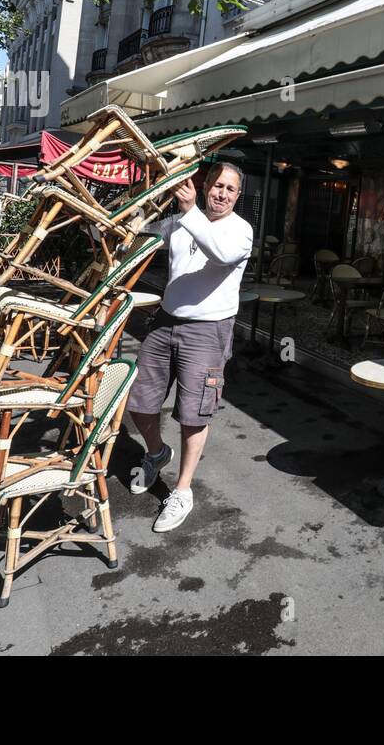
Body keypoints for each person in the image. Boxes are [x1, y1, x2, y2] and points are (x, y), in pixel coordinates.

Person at [125, 162, 252, 532]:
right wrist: (119, 228)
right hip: (165, 322)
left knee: (194, 413)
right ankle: (156, 453)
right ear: (205, 185)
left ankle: (182, 490)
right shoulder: (180, 223)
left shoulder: (240, 230)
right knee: (140, 402)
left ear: (237, 195)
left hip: (208, 330)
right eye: (217, 186)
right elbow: (143, 237)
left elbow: (220, 255)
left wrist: (189, 210)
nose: (222, 194)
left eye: (230, 189)